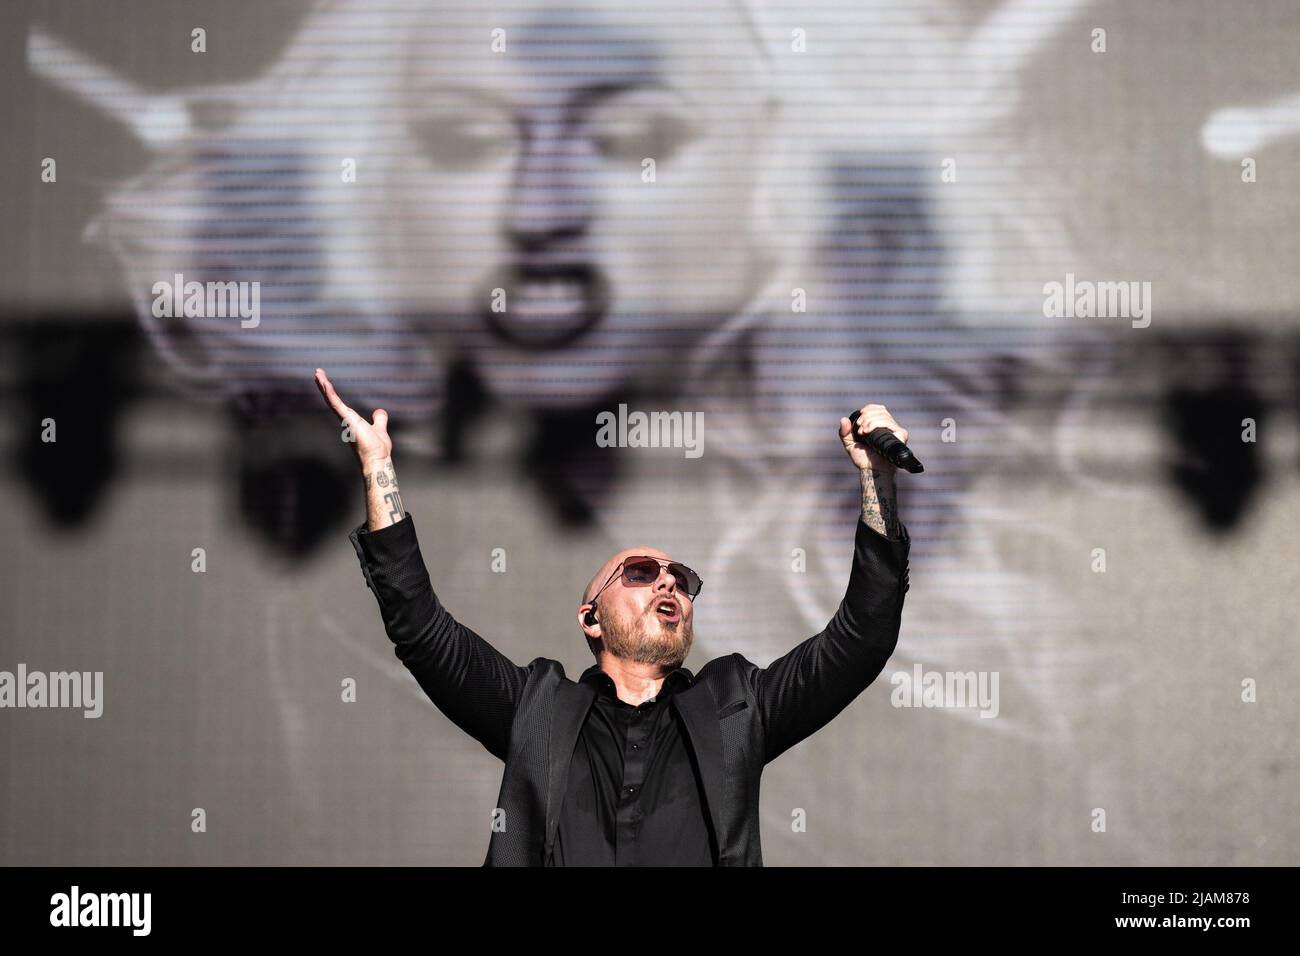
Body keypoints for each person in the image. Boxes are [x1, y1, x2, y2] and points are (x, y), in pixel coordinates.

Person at [314, 367, 911, 866]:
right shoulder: (536, 707)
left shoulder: (737, 707)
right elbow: (421, 629)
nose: (668, 583)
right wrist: (377, 468)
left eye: (682, 579)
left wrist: (876, 480)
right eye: (642, 572)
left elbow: (861, 637)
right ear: (590, 619)